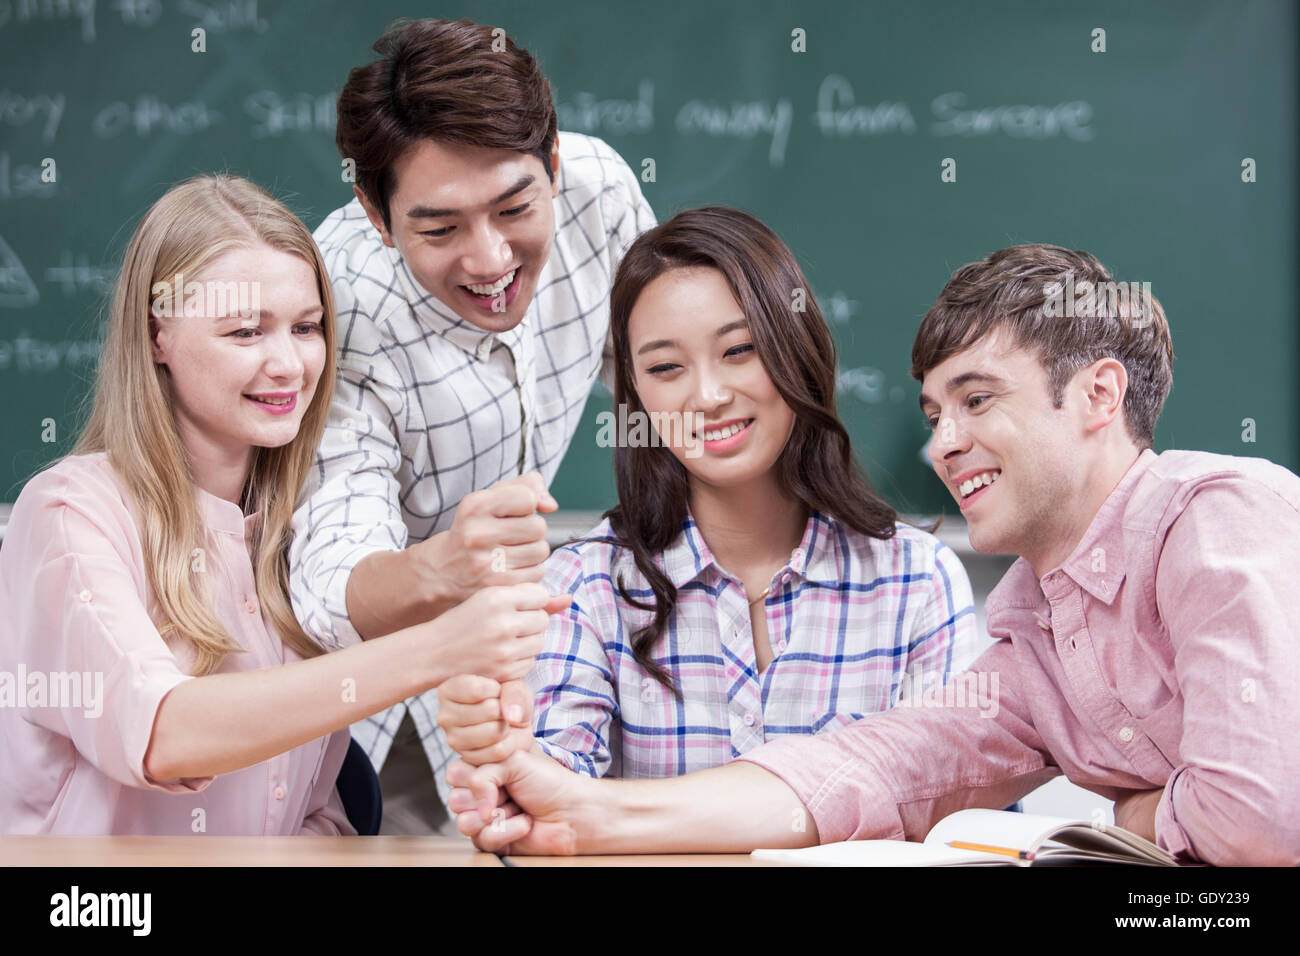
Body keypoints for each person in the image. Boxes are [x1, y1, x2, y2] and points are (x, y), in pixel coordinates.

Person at [445, 244, 1300, 866]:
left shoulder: (1219, 517)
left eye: (977, 400)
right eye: (934, 416)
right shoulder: (1035, 633)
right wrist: (586, 813)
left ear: (1097, 396)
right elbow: (874, 767)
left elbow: (1257, 819)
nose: (945, 445)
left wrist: (1137, 819)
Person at [0, 175, 564, 835]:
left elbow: (308, 814)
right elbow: (164, 731)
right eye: (245, 332)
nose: (289, 364)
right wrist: (437, 647)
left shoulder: (297, 537)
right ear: (158, 336)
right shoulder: (71, 514)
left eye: (306, 328)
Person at [435, 207, 983, 781]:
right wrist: (509, 750)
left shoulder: (915, 580)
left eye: (739, 350)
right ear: (636, 393)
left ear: (794, 347)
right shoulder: (585, 585)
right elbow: (558, 788)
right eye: (667, 367)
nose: (708, 395)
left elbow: (950, 803)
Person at [287, 17, 656, 833]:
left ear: (553, 164)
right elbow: (327, 581)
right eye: (441, 228)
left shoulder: (596, 190)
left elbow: (666, 385)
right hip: (364, 689)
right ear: (377, 214)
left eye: (515, 207)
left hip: (542, 667)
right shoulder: (340, 303)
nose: (490, 260)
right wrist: (443, 568)